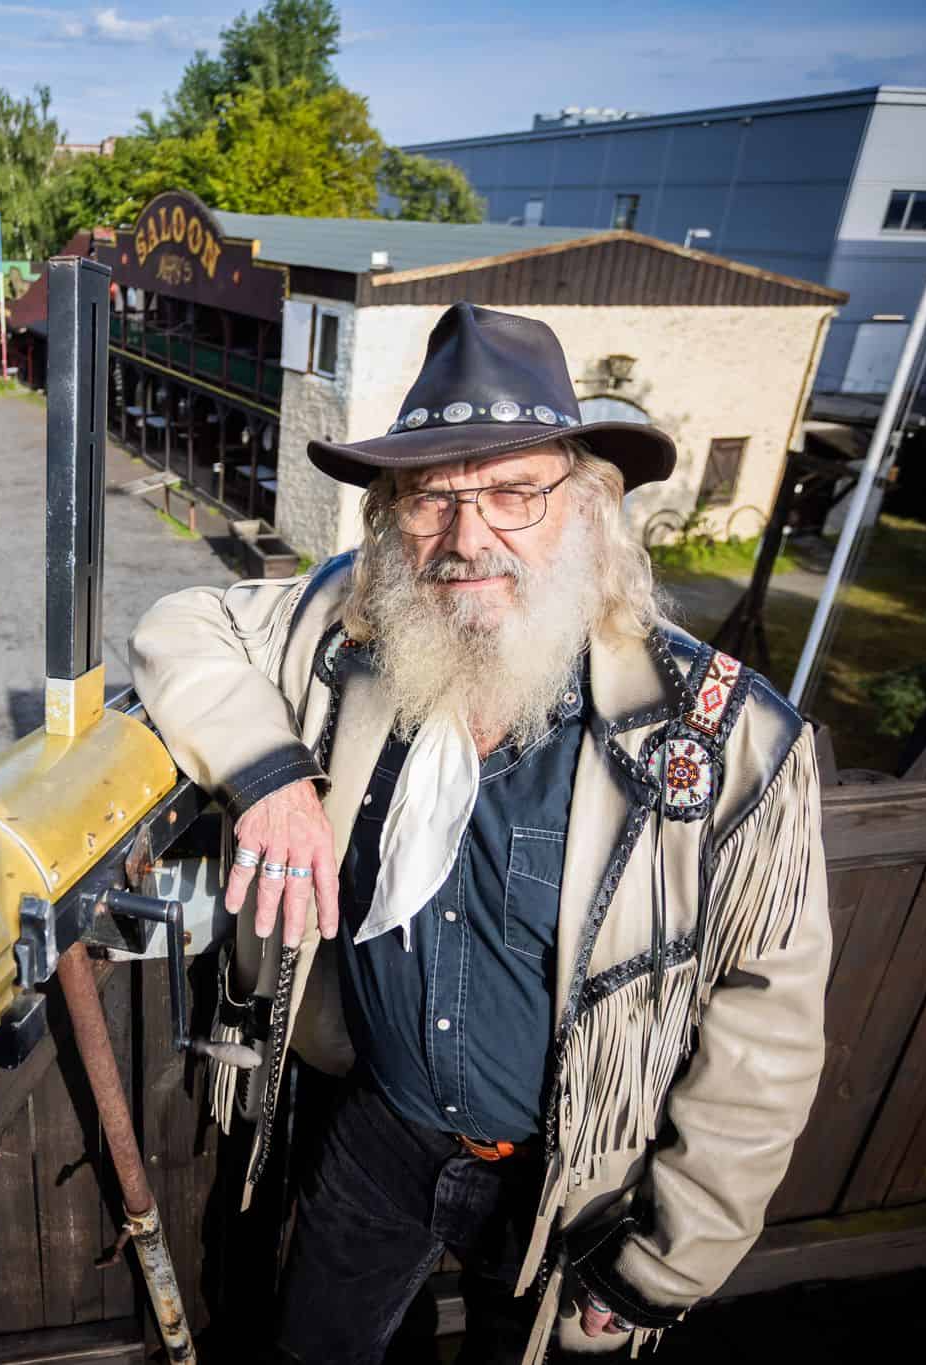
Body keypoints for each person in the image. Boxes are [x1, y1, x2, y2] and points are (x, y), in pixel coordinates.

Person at [131, 303, 829, 1363]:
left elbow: (764, 1029)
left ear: (588, 511)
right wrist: (265, 777)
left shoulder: (723, 736)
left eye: (513, 493)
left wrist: (663, 1266)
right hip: (381, 1131)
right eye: (429, 501)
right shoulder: (353, 630)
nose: (467, 539)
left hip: (581, 1177)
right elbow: (179, 624)